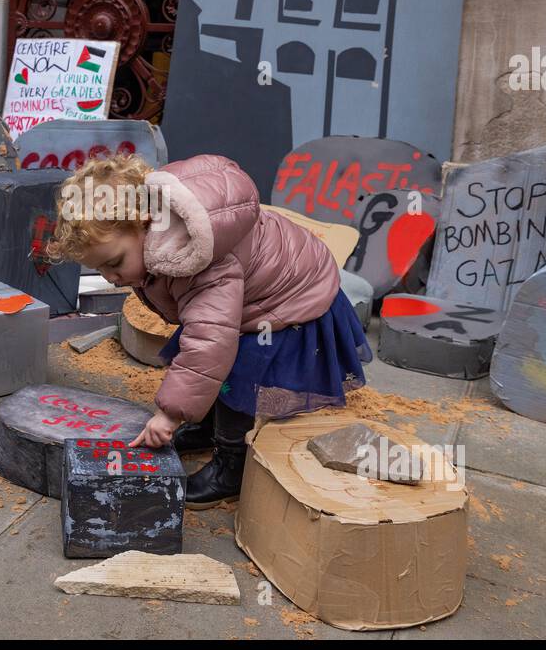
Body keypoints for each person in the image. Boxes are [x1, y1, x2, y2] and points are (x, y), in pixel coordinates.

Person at [48, 152, 371, 507]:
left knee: (236, 374)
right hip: (262, 289)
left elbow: (209, 343)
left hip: (290, 298)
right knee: (213, 363)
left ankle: (230, 468)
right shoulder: (156, 234)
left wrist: (170, 413)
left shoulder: (198, 258)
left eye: (114, 263)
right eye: (101, 270)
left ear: (141, 223)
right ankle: (206, 426)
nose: (111, 278)